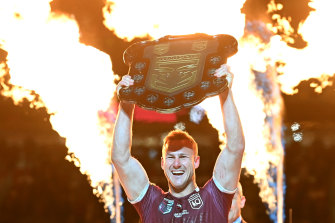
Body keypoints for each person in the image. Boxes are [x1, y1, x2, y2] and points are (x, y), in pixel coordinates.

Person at [111, 64, 245, 223]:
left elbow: (235, 148)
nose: (176, 163)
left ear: (196, 162)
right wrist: (127, 101)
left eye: (183, 156)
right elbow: (120, 158)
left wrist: (225, 91)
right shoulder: (152, 203)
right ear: (162, 163)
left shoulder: (214, 199)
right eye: (170, 157)